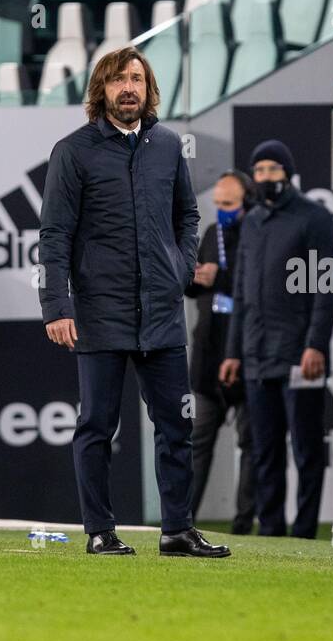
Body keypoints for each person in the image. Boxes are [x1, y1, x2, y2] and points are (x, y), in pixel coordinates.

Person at [39, 47, 230, 559]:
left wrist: (181, 268)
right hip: (100, 310)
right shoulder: (72, 151)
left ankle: (176, 531)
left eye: (137, 80)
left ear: (148, 90)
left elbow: (188, 217)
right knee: (97, 425)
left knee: (176, 425)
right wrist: (58, 305)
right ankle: (100, 530)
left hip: (162, 310)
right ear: (100, 89)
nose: (129, 88)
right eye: (119, 79)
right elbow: (54, 234)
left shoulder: (168, 146)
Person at [219, 141, 333, 539]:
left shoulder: (314, 217)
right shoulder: (250, 222)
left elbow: (324, 286)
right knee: (264, 451)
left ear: (288, 172)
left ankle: (304, 532)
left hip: (299, 356)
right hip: (255, 355)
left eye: (273, 169)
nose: (267, 177)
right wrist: (233, 351)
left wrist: (316, 344)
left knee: (306, 451)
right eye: (260, 170)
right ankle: (269, 530)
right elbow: (240, 291)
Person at [185, 170, 258, 533]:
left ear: (247, 200)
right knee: (197, 444)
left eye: (228, 204)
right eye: (217, 204)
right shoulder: (213, 234)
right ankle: (182, 522)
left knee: (251, 444)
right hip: (208, 356)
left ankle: (244, 526)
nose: (222, 211)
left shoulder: (259, 232)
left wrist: (221, 279)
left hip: (247, 355)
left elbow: (258, 289)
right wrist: (193, 277)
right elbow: (196, 288)